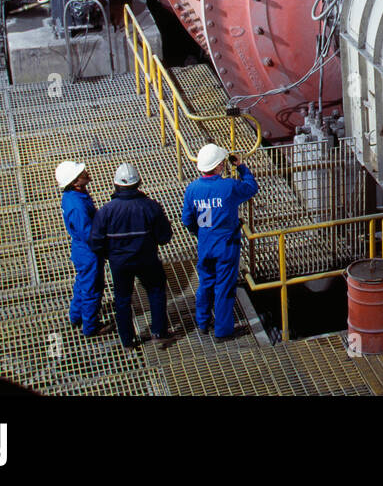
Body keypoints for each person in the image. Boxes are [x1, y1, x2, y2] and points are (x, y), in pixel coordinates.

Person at [89, 163, 173, 350]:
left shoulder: (105, 211)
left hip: (119, 264)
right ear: (139, 183)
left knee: (122, 299)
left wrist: (110, 254)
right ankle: (159, 334)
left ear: (115, 185)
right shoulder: (150, 207)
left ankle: (127, 341)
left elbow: (95, 242)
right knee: (156, 291)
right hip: (147, 260)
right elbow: (164, 237)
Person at [182, 144, 259, 340]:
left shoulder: (192, 189)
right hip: (226, 244)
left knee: (205, 283)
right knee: (224, 286)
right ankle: (223, 331)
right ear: (218, 167)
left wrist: (199, 233)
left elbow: (187, 220)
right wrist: (241, 167)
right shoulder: (228, 187)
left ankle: (202, 322)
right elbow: (251, 187)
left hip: (205, 243)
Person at [56, 160, 105, 337]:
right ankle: (91, 327)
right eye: (82, 173)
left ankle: (76, 316)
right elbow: (88, 234)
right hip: (88, 252)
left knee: (82, 284)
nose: (86, 172)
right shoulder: (77, 206)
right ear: (75, 182)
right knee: (92, 288)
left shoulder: (74, 195)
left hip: (81, 250)